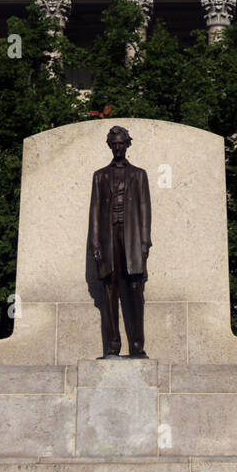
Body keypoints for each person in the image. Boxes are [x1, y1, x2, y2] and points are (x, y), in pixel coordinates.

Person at [88, 125, 151, 357]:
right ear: (110, 146)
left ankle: (137, 345)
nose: (117, 147)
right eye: (113, 144)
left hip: (132, 237)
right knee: (109, 289)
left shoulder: (139, 174)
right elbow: (95, 211)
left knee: (135, 289)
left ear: (127, 145)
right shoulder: (100, 176)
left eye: (121, 143)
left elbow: (145, 210)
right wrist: (95, 244)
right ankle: (112, 346)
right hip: (108, 238)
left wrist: (145, 243)